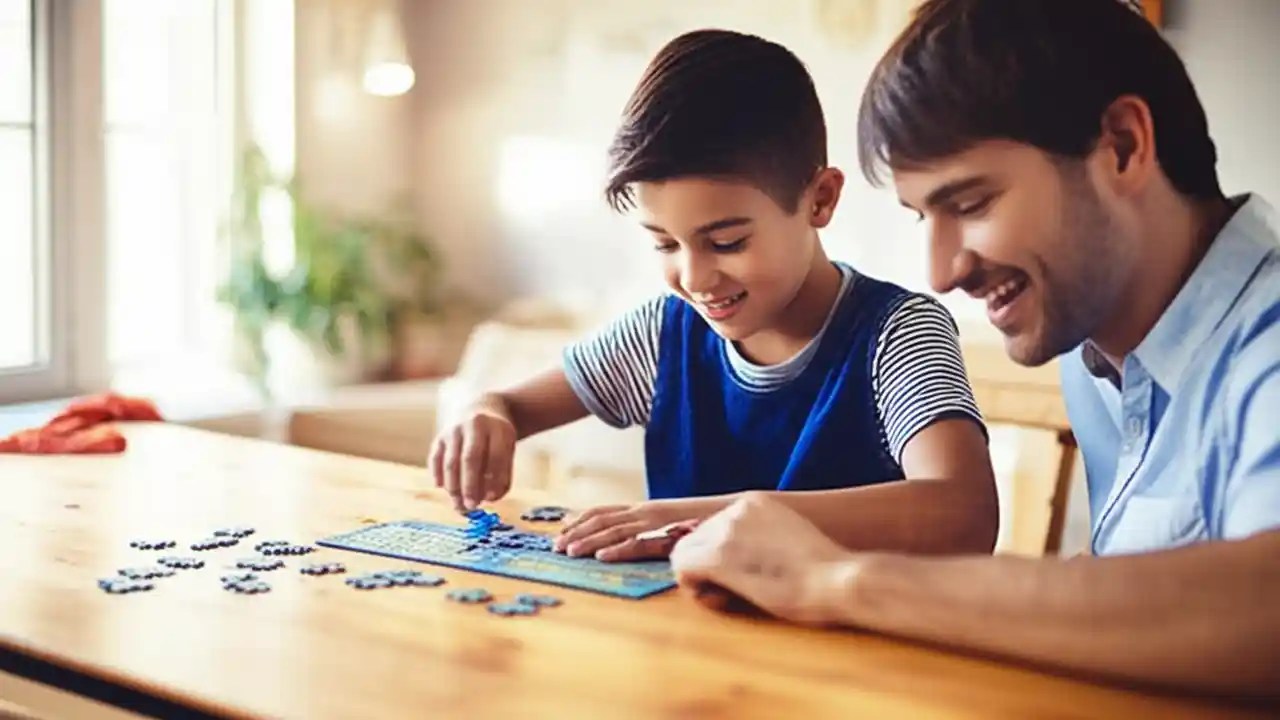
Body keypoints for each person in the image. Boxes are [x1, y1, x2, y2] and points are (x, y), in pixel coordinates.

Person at [670, 0, 1280, 698]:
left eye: (970, 204)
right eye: (924, 216)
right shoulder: (1097, 355)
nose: (940, 273)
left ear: (1121, 146)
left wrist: (834, 579)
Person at [427, 29, 997, 562]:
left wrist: (700, 519)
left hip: (851, 658)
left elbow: (965, 512)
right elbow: (510, 405)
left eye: (726, 241)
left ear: (820, 200)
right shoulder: (663, 331)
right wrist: (487, 413)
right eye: (665, 244)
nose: (695, 278)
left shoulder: (896, 332)